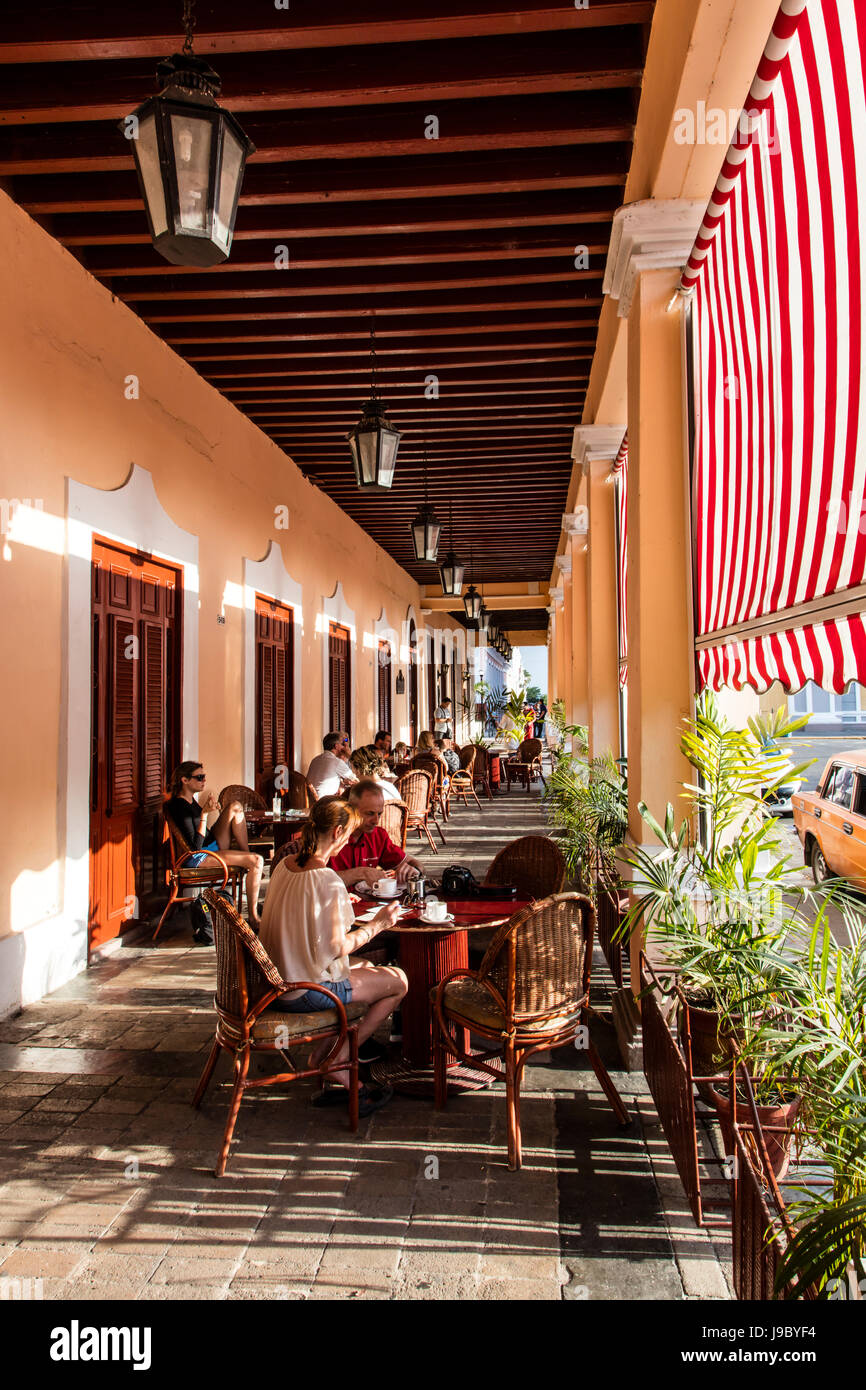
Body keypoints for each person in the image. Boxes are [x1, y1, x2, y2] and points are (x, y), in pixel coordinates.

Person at [259, 798, 407, 1116]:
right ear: (338, 832)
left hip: (275, 981)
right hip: (306, 991)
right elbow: (337, 948)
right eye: (348, 835)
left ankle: (326, 1056)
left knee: (368, 967)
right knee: (398, 981)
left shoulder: (285, 866)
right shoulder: (326, 880)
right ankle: (338, 1059)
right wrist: (379, 924)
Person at [165, 761, 264, 927]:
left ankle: (245, 857)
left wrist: (211, 810)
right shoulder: (179, 806)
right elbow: (195, 847)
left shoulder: (190, 800)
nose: (204, 780)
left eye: (204, 776)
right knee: (257, 861)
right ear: (185, 780)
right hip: (200, 856)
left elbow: (204, 833)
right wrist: (204, 814)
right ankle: (254, 918)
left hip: (211, 845)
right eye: (200, 777)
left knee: (235, 807)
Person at [331, 780, 424, 887]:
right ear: (351, 809)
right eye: (370, 813)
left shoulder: (378, 836)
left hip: (369, 902)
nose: (376, 820)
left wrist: (415, 870)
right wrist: (362, 873)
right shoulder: (332, 836)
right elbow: (317, 881)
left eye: (379, 814)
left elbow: (415, 863)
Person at [306, 731, 358, 798]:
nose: (345, 747)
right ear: (336, 746)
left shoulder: (315, 759)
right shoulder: (336, 762)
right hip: (324, 802)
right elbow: (356, 781)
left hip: (311, 801)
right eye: (343, 744)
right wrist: (349, 755)